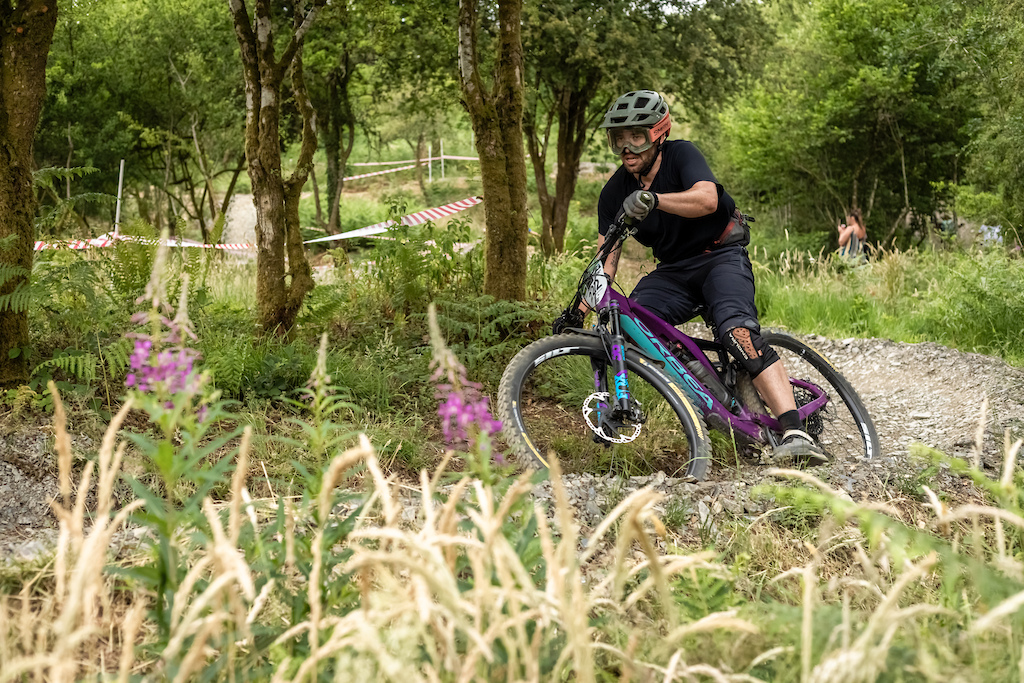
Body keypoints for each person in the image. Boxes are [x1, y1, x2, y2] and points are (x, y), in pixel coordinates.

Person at [587, 89, 828, 465]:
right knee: (633, 324)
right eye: (618, 139)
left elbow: (707, 199)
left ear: (658, 133)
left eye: (636, 136)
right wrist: (580, 305)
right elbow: (607, 258)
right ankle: (712, 394)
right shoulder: (614, 191)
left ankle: (795, 431)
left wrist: (655, 200)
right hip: (672, 271)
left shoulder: (681, 155)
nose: (627, 148)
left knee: (737, 333)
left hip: (720, 257)